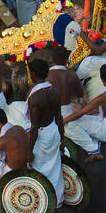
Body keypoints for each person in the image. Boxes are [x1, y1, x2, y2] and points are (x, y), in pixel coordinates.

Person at [63, 64, 106, 161]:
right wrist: (85, 116)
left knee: (69, 125)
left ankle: (94, 151)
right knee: (81, 119)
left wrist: (63, 121)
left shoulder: (104, 97)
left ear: (101, 77)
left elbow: (80, 112)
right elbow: (105, 109)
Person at [25, 59, 65, 204]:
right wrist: (62, 139)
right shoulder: (55, 92)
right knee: (54, 166)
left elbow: (34, 128)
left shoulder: (35, 98)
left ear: (33, 75)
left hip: (42, 135)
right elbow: (59, 118)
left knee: (39, 168)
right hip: (54, 130)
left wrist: (29, 151)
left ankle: (43, 203)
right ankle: (58, 200)